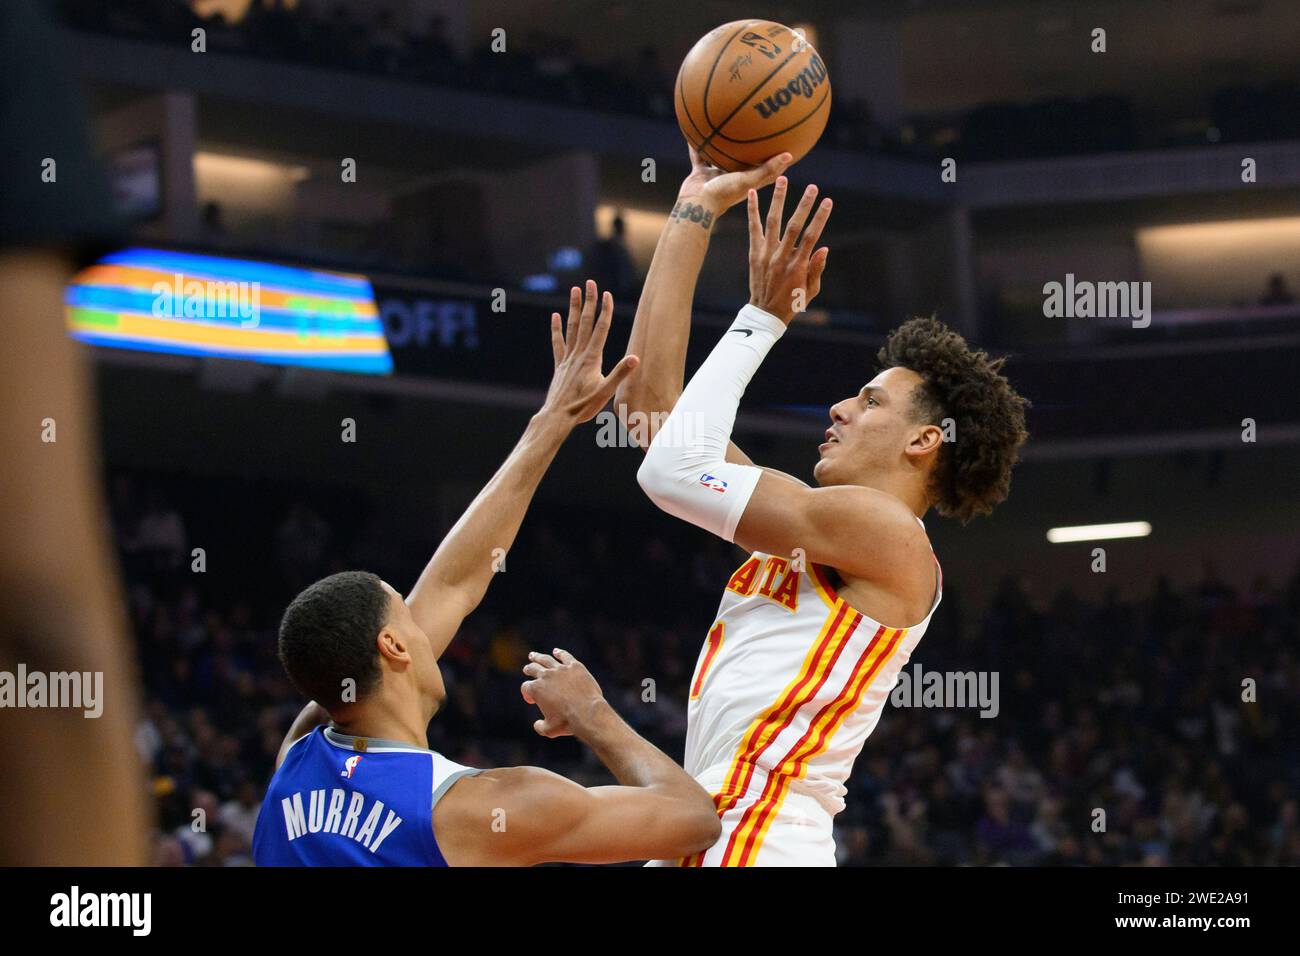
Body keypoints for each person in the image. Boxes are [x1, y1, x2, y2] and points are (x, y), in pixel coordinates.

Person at [615, 148, 1029, 866]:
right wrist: (693, 209)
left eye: (869, 401)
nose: (838, 408)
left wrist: (763, 318)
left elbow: (672, 469)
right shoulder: (815, 527)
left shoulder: (891, 536)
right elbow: (654, 420)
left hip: (755, 830)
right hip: (721, 824)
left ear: (925, 440)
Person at [252, 283, 721, 866]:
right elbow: (694, 820)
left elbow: (453, 583)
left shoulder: (294, 766)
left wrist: (553, 421)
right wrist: (592, 715)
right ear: (395, 645)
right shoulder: (478, 809)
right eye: (408, 613)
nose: (429, 625)